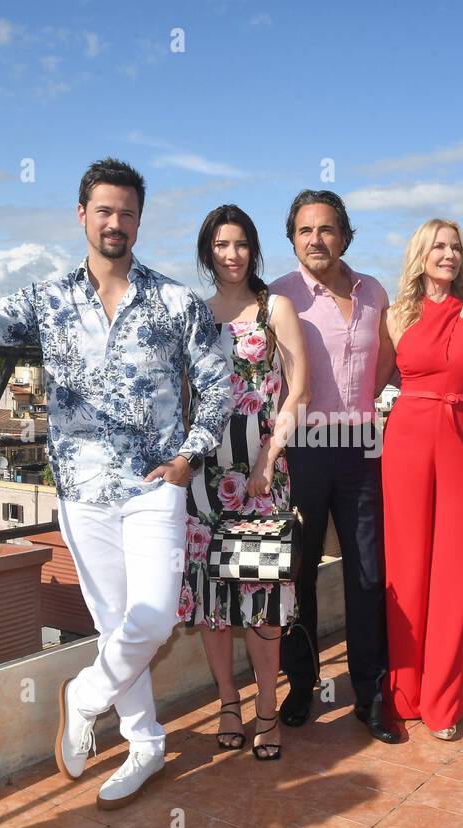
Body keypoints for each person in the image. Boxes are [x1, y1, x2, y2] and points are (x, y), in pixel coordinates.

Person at [0, 158, 233, 807]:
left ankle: (83, 697)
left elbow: (218, 387)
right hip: (80, 488)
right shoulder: (47, 299)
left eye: (126, 212)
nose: (115, 222)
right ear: (82, 216)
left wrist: (189, 456)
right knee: (117, 623)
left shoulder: (175, 302)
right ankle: (145, 741)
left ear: (139, 220)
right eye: (104, 210)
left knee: (152, 618)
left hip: (156, 483)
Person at [179, 204, 309, 761]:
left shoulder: (273, 308)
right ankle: (228, 703)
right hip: (206, 474)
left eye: (241, 244)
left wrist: (268, 459)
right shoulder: (198, 313)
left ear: (254, 249)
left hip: (260, 474)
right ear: (208, 252)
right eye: (221, 245)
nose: (232, 255)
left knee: (261, 598)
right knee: (213, 597)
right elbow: (184, 394)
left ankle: (266, 710)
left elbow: (298, 386)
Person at [269, 190, 400, 743]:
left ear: (346, 235)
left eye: (326, 229)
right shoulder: (279, 297)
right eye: (304, 231)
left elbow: (387, 369)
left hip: (364, 449)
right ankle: (301, 686)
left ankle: (370, 695)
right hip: (303, 450)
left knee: (367, 574)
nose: (315, 240)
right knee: (296, 574)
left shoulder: (374, 293)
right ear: (292, 238)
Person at [376, 219, 463, 740]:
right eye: (438, 247)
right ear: (421, 254)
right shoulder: (396, 315)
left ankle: (444, 703)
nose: (448, 254)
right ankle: (403, 695)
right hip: (406, 441)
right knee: (406, 569)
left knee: (455, 571)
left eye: (454, 247)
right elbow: (381, 375)